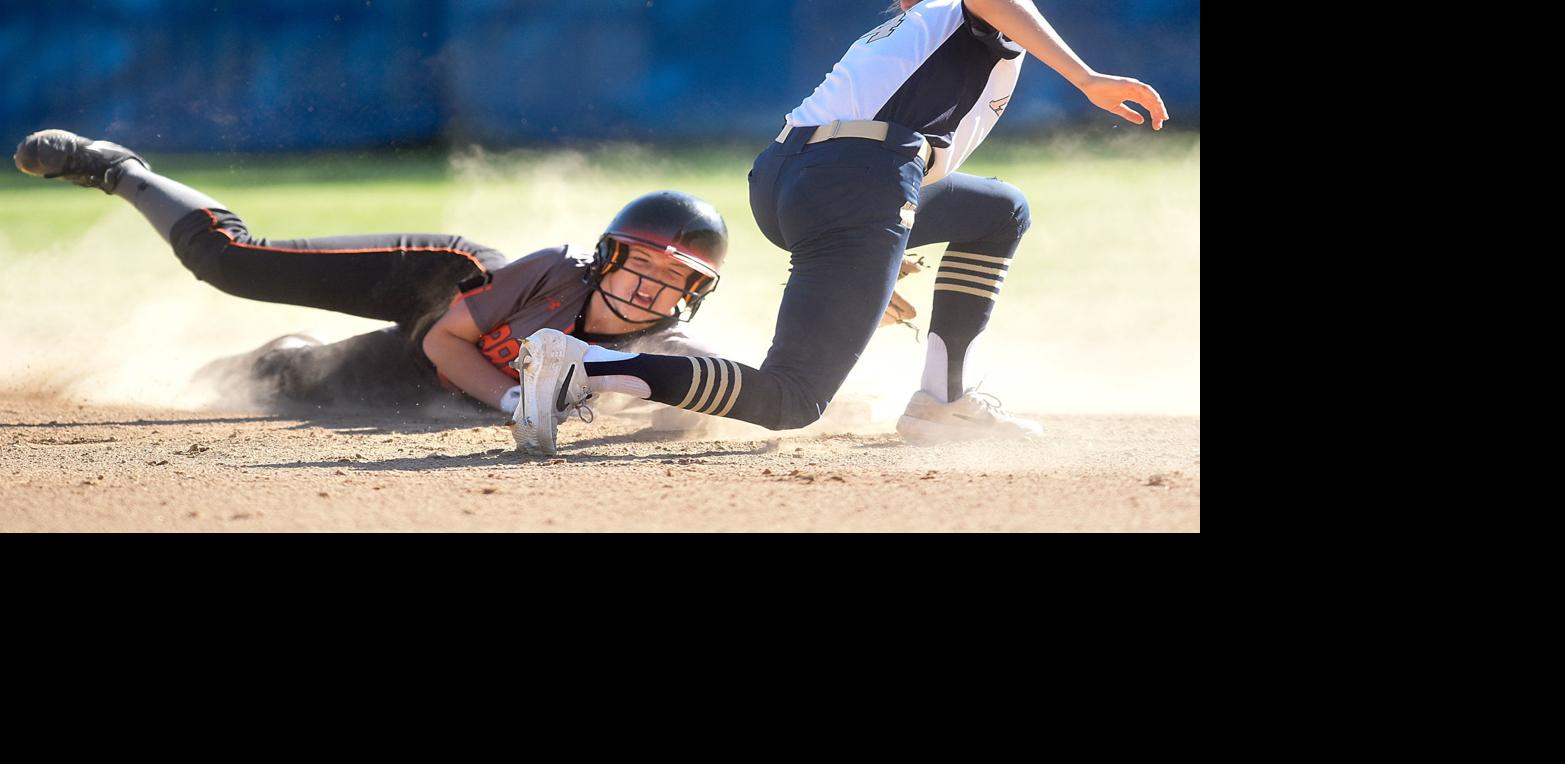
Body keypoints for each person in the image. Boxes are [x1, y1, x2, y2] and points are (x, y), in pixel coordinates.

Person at [509, 0, 1167, 455]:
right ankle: (584, 365)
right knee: (792, 399)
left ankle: (944, 400)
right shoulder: (960, 16)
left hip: (789, 177)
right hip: (858, 179)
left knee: (997, 210)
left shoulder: (914, 28)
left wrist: (882, 252)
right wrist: (1087, 78)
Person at [11, 129, 728, 428]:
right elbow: (446, 342)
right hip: (442, 291)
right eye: (639, 261)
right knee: (230, 262)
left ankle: (285, 354)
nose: (648, 287)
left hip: (432, 377)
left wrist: (679, 402)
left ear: (693, 296)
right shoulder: (552, 272)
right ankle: (118, 168)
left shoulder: (660, 347)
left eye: (674, 277)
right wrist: (517, 400)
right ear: (607, 256)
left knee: (281, 386)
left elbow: (705, 388)